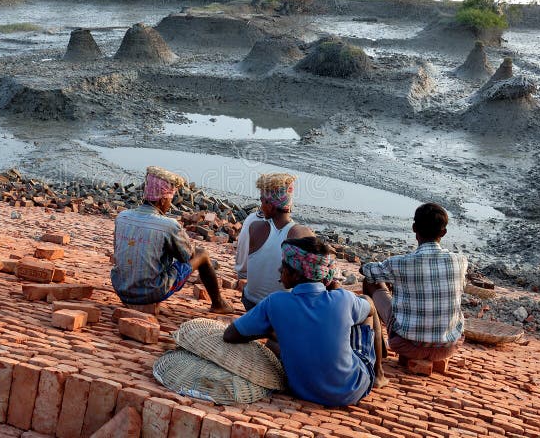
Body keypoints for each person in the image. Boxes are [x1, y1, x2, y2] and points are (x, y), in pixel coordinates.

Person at [224, 237, 387, 407]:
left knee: (277, 341)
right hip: (351, 389)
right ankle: (378, 374)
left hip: (302, 390)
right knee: (368, 302)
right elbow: (370, 309)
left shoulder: (275, 302)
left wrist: (271, 330)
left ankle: (378, 374)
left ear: (295, 274)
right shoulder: (343, 299)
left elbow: (230, 335)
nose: (280, 270)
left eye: (284, 267)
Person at [111, 166, 233, 314]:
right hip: (150, 292)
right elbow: (187, 256)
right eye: (170, 199)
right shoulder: (169, 225)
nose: (170, 204)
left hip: (120, 287)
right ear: (162, 200)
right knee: (202, 254)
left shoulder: (122, 217)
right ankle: (218, 303)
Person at [361, 202, 467, 363]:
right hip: (448, 348)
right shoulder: (460, 261)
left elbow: (367, 271)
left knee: (370, 281)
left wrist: (366, 267)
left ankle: (378, 347)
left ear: (414, 228)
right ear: (443, 232)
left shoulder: (400, 263)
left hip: (405, 345)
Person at [237, 173, 314, 311]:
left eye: (262, 201)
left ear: (271, 206)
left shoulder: (254, 226)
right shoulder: (304, 233)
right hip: (281, 310)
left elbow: (242, 269)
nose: (260, 206)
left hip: (251, 303)